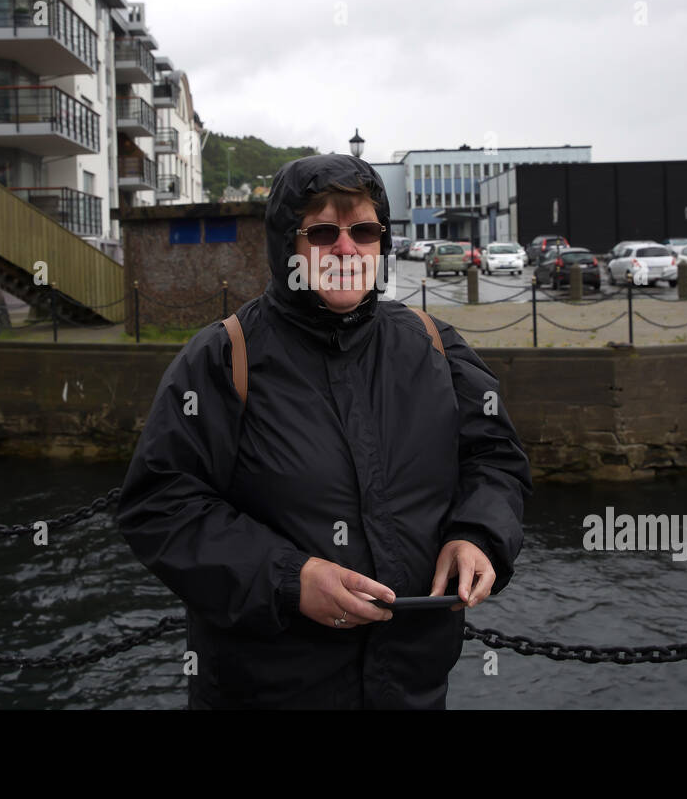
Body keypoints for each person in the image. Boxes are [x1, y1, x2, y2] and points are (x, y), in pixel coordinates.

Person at [117, 153, 532, 708]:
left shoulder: (435, 346)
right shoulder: (223, 358)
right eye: (321, 232)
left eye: (363, 230)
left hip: (410, 686)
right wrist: (288, 579)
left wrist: (477, 534)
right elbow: (160, 504)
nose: (345, 248)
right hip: (269, 690)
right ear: (287, 243)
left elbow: (495, 457)